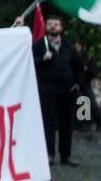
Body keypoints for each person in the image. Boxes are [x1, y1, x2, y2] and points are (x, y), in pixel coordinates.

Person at [33, 12, 86, 167]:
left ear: (61, 28)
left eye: (56, 24)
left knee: (66, 124)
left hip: (66, 91)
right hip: (47, 91)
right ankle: (49, 154)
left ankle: (66, 155)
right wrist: (42, 58)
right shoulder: (38, 46)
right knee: (48, 123)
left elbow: (78, 68)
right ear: (46, 27)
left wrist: (77, 84)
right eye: (50, 24)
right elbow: (30, 63)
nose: (53, 26)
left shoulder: (69, 47)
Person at [73, 40, 101, 133]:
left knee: (93, 106)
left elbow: (94, 71)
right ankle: (78, 127)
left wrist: (87, 69)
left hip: (85, 85)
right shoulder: (70, 57)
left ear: (80, 47)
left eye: (78, 46)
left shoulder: (87, 57)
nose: (77, 48)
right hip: (74, 86)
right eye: (75, 47)